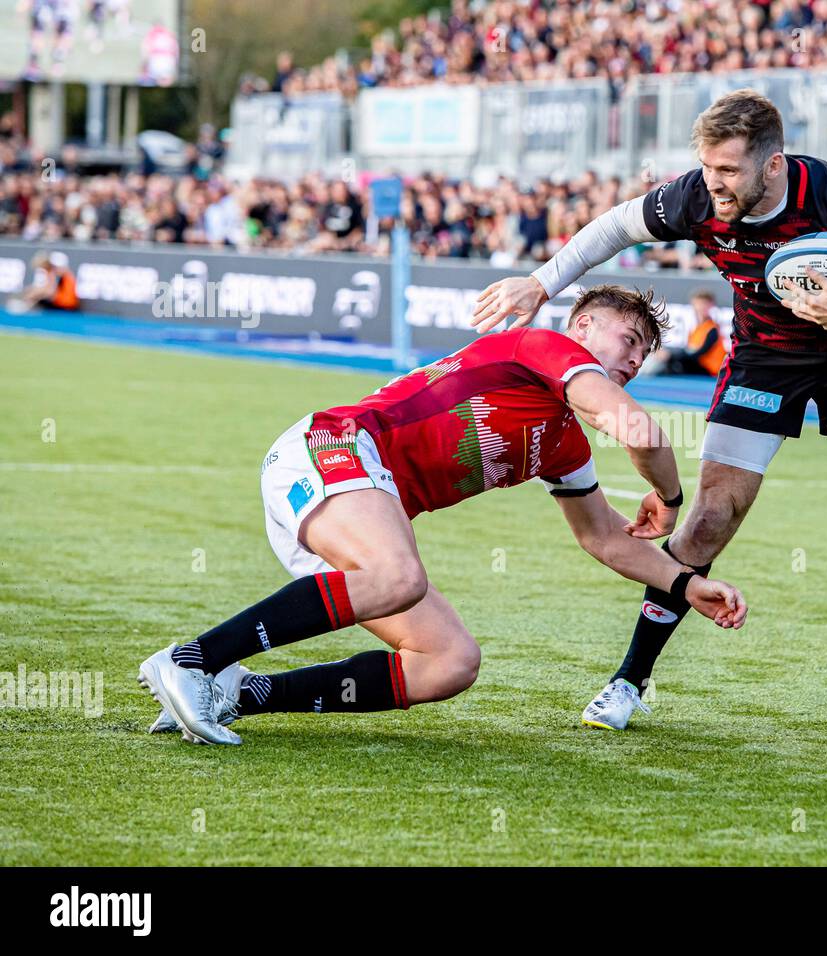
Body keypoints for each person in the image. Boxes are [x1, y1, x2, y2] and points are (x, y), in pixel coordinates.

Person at [472, 88, 827, 732]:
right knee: (710, 520)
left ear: (773, 165)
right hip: (766, 359)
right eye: (709, 169)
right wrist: (542, 282)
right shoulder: (694, 194)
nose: (714, 185)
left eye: (730, 171)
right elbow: (615, 227)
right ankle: (630, 680)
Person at [137, 285, 748, 745]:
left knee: (450, 663)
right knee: (401, 576)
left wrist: (689, 584)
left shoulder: (567, 443)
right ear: (584, 325)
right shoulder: (543, 346)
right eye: (629, 341)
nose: (636, 360)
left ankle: (236, 692)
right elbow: (638, 429)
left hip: (358, 502)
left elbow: (606, 541)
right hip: (335, 447)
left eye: (644, 354)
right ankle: (192, 659)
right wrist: (669, 502)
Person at [12, 250, 78, 312]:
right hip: (61, 304)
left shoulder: (62, 276)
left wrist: (31, 297)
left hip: (64, 307)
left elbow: (49, 292)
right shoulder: (55, 274)